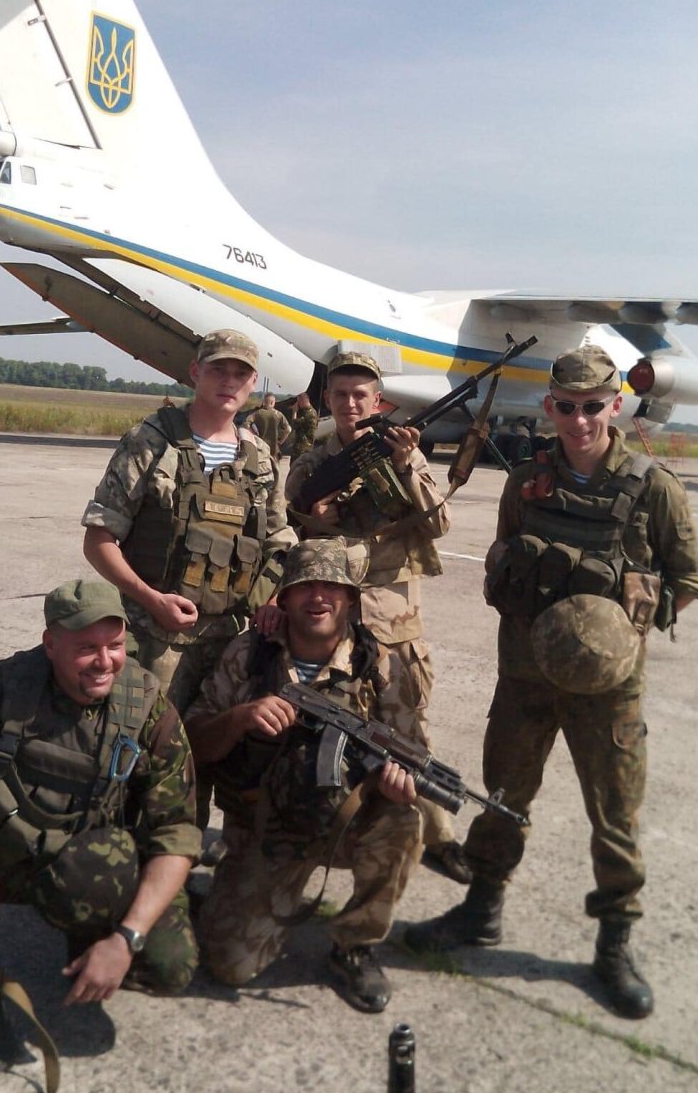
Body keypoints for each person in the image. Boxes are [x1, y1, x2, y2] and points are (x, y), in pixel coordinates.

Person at [404, 346, 698, 1019]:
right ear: (550, 408)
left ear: (615, 406)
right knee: (506, 797)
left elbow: (687, 582)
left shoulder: (652, 486)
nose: (579, 420)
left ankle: (613, 944)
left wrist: (621, 628)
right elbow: (509, 552)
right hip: (524, 679)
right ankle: (482, 909)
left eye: (592, 406)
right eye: (566, 408)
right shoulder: (528, 482)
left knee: (616, 816)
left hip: (609, 692)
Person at [0, 579, 199, 1054]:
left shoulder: (146, 708)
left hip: (88, 864)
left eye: (115, 645)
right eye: (87, 648)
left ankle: (92, 939)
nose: (104, 662)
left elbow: (178, 831)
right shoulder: (2, 687)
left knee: (169, 965)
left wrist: (125, 940)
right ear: (51, 645)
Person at [185, 538, 423, 1013]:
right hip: (264, 830)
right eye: (305, 586)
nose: (319, 597)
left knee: (404, 821)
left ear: (351, 600)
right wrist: (241, 718)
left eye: (331, 587)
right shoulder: (249, 655)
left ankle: (354, 944)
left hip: (342, 827)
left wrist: (397, 782)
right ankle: (228, 894)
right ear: (285, 598)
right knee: (230, 967)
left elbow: (412, 750)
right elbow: (193, 742)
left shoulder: (376, 664)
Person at [81, 329, 297, 847]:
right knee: (139, 754)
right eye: (218, 370)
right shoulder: (151, 441)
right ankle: (120, 864)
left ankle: (180, 862)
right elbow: (99, 539)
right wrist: (151, 599)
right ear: (195, 373)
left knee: (211, 754)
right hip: (156, 638)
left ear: (252, 384)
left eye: (241, 374)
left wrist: (271, 599)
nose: (230, 382)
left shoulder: (260, 457)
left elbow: (279, 540)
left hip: (230, 641)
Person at [284, 350, 470, 884]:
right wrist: (310, 517)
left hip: (392, 617)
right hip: (330, 620)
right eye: (340, 394)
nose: (349, 403)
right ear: (328, 399)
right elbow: (285, 530)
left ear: (377, 400)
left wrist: (408, 463)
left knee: (409, 729)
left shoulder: (398, 450)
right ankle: (320, 824)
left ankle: (437, 836)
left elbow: (440, 525)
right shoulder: (313, 461)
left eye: (360, 395)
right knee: (320, 727)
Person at [242, 391, 292, 460]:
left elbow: (246, 424)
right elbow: (288, 429)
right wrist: (281, 441)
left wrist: (254, 434)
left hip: (260, 447)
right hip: (274, 449)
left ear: (264, 402)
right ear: (272, 402)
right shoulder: (279, 415)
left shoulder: (257, 413)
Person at [289, 391, 318, 461]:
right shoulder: (310, 411)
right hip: (305, 447)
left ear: (303, 401)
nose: (298, 404)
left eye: (298, 402)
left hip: (303, 448)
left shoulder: (309, 414)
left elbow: (294, 424)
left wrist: (294, 411)